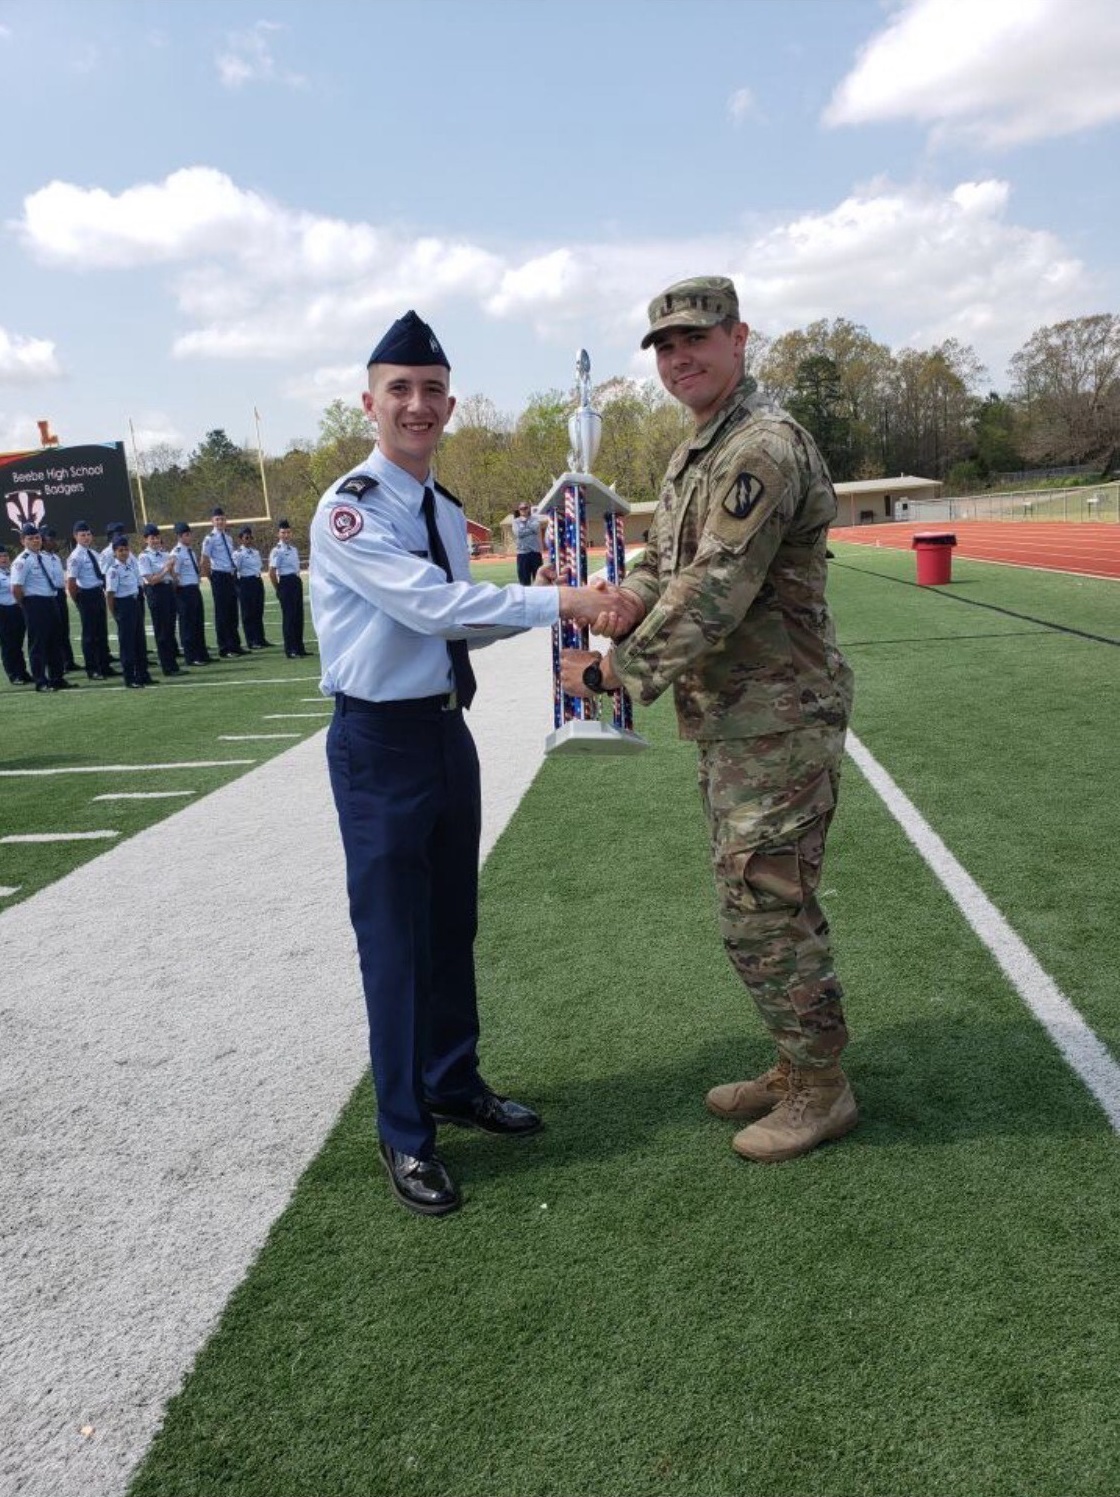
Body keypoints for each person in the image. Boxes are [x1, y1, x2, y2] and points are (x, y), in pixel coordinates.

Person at [309, 309, 631, 1217]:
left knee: (453, 922)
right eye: (399, 391)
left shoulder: (444, 511)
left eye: (432, 391)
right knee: (393, 943)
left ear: (451, 403)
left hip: (447, 733)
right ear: (368, 404)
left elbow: (466, 618)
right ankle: (405, 1133)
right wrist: (562, 594)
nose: (418, 406)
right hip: (378, 742)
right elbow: (429, 606)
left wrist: (566, 613)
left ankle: (453, 1080)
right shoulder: (351, 509)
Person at [560, 276, 857, 1165]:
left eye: (697, 337)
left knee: (766, 909)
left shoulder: (759, 447)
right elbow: (667, 561)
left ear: (740, 338)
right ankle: (793, 1059)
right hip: (739, 716)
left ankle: (821, 1087)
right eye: (663, 346)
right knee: (751, 900)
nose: (678, 357)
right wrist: (623, 601)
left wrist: (618, 669)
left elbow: (719, 588)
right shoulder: (702, 447)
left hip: (778, 716)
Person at [10, 522, 74, 691]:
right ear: (23, 541)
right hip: (34, 603)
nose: (35, 541)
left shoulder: (45, 557)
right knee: (38, 643)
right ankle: (41, 681)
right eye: (30, 538)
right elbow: (16, 588)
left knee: (55, 640)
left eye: (37, 538)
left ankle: (57, 677)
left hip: (50, 601)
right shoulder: (22, 561)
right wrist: (25, 605)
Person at [105, 534, 156, 688]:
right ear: (114, 552)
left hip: (134, 603)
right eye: (120, 550)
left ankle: (143, 674)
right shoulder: (113, 570)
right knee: (127, 645)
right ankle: (130, 678)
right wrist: (115, 614)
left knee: (139, 641)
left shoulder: (130, 565)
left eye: (126, 549)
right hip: (123, 605)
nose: (124, 553)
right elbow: (110, 595)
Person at [66, 520, 114, 679]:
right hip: (86, 596)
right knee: (90, 635)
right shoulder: (75, 557)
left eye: (88, 534)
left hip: (98, 594)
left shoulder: (93, 553)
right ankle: (92, 669)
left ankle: (104, 666)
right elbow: (71, 583)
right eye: (82, 535)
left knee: (102, 632)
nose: (86, 537)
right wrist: (79, 602)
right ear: (75, 536)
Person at [138, 525, 184, 676]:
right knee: (162, 630)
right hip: (156, 592)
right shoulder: (144, 556)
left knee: (170, 628)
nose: (155, 540)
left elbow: (172, 577)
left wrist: (173, 571)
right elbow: (150, 580)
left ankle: (173, 664)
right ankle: (167, 666)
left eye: (157, 537)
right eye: (152, 538)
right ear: (146, 540)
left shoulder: (164, 553)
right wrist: (165, 569)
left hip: (168, 590)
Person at [201, 506, 245, 656]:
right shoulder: (209, 539)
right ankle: (224, 647)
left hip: (229, 575)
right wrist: (211, 578)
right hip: (219, 576)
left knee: (233, 612)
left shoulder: (228, 537)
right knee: (222, 613)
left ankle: (235, 644)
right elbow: (204, 560)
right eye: (217, 519)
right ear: (212, 521)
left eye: (222, 519)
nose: (220, 522)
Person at [169, 522, 213, 665]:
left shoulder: (191, 551)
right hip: (184, 591)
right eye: (186, 535)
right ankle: (191, 656)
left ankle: (201, 654)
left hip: (194, 589)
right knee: (187, 625)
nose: (190, 537)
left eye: (190, 534)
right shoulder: (176, 553)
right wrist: (178, 594)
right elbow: (174, 575)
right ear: (179, 536)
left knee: (198, 622)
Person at [39, 526, 78, 673]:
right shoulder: (40, 557)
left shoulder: (55, 557)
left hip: (60, 594)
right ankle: (57, 663)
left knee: (64, 629)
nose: (53, 542)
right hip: (50, 595)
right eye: (50, 539)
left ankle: (68, 660)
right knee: (53, 631)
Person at [268, 520, 307, 658]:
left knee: (298, 616)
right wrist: (278, 589)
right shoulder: (277, 551)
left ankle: (299, 647)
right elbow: (271, 572)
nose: (286, 535)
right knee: (289, 618)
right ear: (278, 534)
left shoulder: (293, 549)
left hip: (296, 581)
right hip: (285, 583)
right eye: (283, 532)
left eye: (288, 532)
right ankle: (290, 649)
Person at [0, 544, 33, 684]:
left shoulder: (12, 571)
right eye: (0, 557)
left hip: (17, 609)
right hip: (3, 611)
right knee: (9, 645)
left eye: (5, 556)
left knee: (18, 643)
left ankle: (22, 672)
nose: (4, 559)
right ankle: (13, 674)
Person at [233, 525, 270, 649]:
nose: (249, 540)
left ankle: (260, 638)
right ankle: (252, 640)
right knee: (248, 613)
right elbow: (235, 570)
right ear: (241, 539)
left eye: (250, 537)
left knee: (258, 611)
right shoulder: (238, 554)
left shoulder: (256, 552)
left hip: (257, 581)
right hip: (245, 582)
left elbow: (258, 567)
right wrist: (239, 587)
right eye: (246, 537)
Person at [511, 502, 546, 585]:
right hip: (522, 554)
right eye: (521, 508)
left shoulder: (535, 519)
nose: (523, 510)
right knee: (524, 581)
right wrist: (530, 530)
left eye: (525, 508)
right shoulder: (515, 521)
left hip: (535, 553)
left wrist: (524, 529)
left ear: (528, 509)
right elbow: (518, 533)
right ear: (519, 510)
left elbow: (535, 528)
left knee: (538, 580)